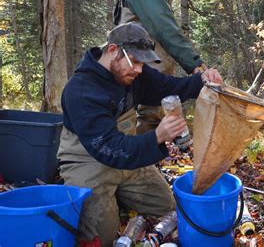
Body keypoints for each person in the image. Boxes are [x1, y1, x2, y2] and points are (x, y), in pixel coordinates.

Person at [57, 22, 222, 246]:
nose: (139, 69)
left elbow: (169, 86)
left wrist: (201, 80)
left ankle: (120, 197)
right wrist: (157, 136)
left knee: (168, 207)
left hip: (128, 155)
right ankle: (108, 200)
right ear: (113, 50)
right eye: (134, 61)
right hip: (88, 161)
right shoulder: (81, 90)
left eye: (142, 62)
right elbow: (109, 149)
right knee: (99, 238)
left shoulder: (133, 75)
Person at [114, 0, 209, 133]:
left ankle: (144, 163)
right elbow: (164, 27)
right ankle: (137, 163)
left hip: (152, 67)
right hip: (141, 67)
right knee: (144, 121)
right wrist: (195, 65)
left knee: (153, 120)